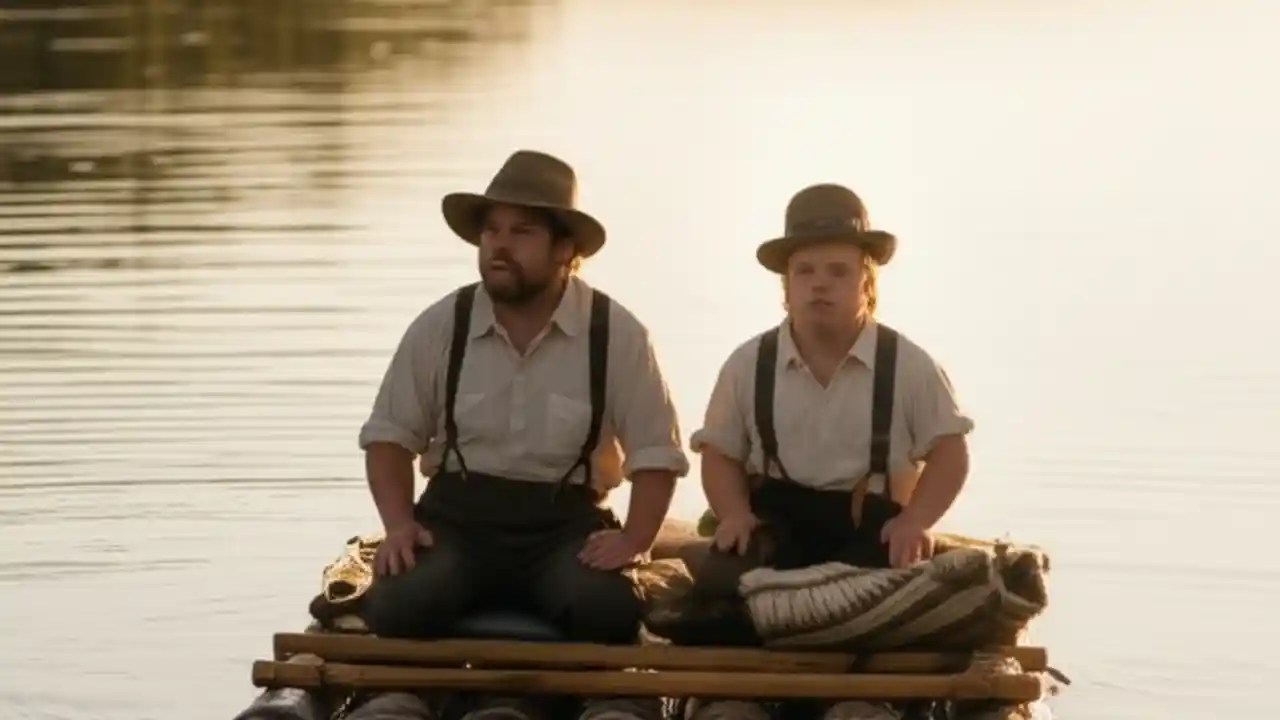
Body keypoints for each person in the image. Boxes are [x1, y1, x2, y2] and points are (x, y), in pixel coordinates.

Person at [355, 149, 688, 720]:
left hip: (564, 527)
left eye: (522, 232)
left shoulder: (616, 333)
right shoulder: (442, 324)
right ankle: (416, 696)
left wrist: (634, 539)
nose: (499, 246)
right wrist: (399, 526)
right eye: (492, 231)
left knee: (607, 609)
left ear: (565, 250)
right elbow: (388, 439)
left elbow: (657, 453)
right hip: (455, 520)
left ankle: (581, 698)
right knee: (398, 602)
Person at [686, 183, 975, 720]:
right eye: (805, 272)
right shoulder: (748, 363)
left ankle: (866, 697)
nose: (820, 284)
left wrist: (916, 520)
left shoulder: (908, 364)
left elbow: (950, 453)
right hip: (777, 522)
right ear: (786, 285)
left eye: (838, 271)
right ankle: (733, 696)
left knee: (890, 602)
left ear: (867, 280)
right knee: (718, 587)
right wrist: (733, 513)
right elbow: (720, 453)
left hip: (871, 530)